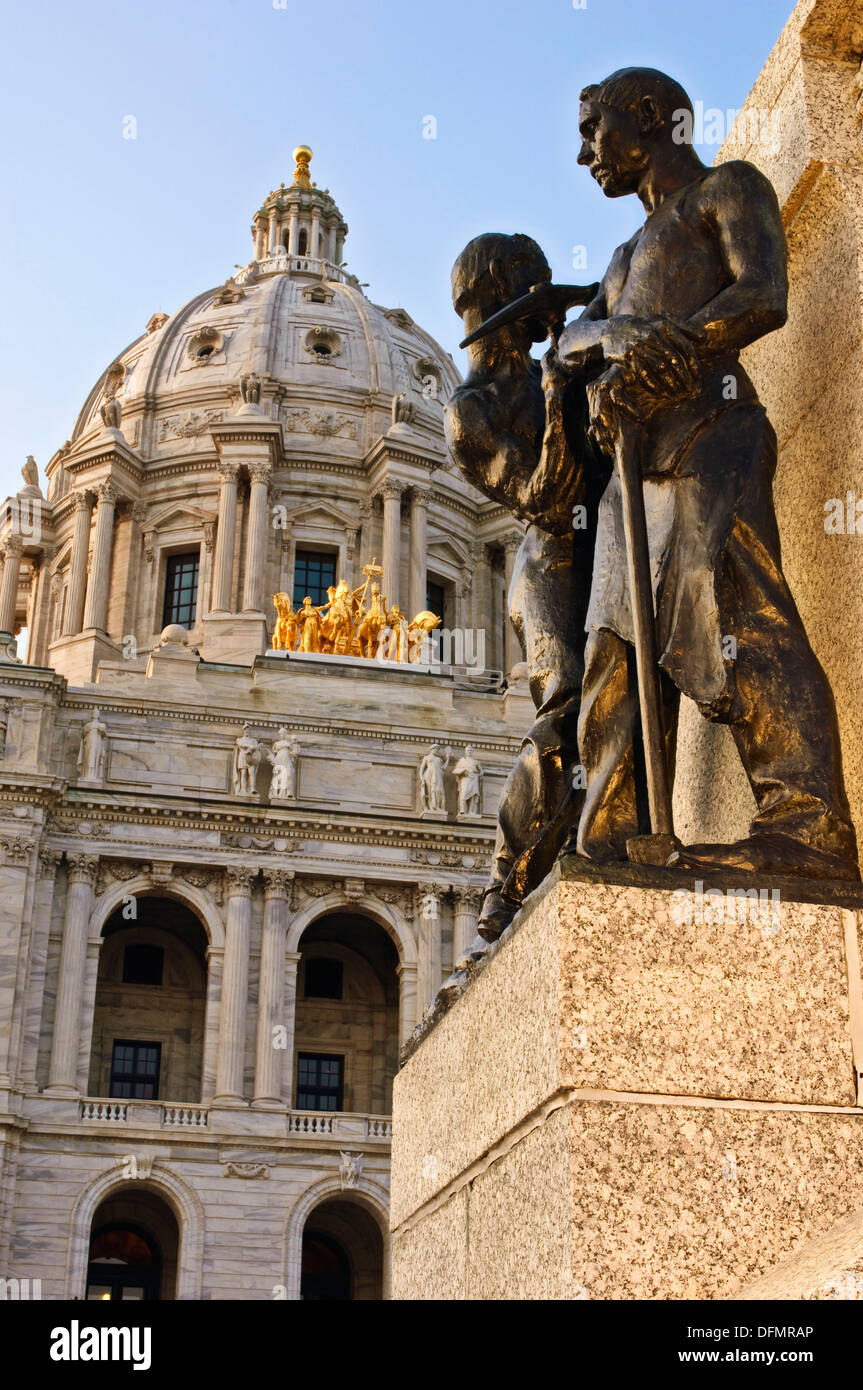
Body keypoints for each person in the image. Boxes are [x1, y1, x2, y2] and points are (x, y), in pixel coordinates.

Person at [555, 66, 858, 879]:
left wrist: (677, 345)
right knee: (612, 649)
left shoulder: (723, 189)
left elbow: (764, 292)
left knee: (738, 615)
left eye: (593, 128)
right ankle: (611, 838)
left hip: (711, 431)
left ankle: (808, 825)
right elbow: (569, 342)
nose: (584, 152)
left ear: (650, 116)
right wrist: (621, 342)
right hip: (635, 461)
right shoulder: (619, 259)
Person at [446, 232, 602, 938]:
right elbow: (541, 496)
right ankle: (506, 879)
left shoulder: (561, 357)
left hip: (606, 544)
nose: (548, 303)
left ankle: (596, 833)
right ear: (497, 297)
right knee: (565, 703)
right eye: (533, 287)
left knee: (615, 696)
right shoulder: (470, 408)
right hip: (548, 563)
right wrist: (559, 388)